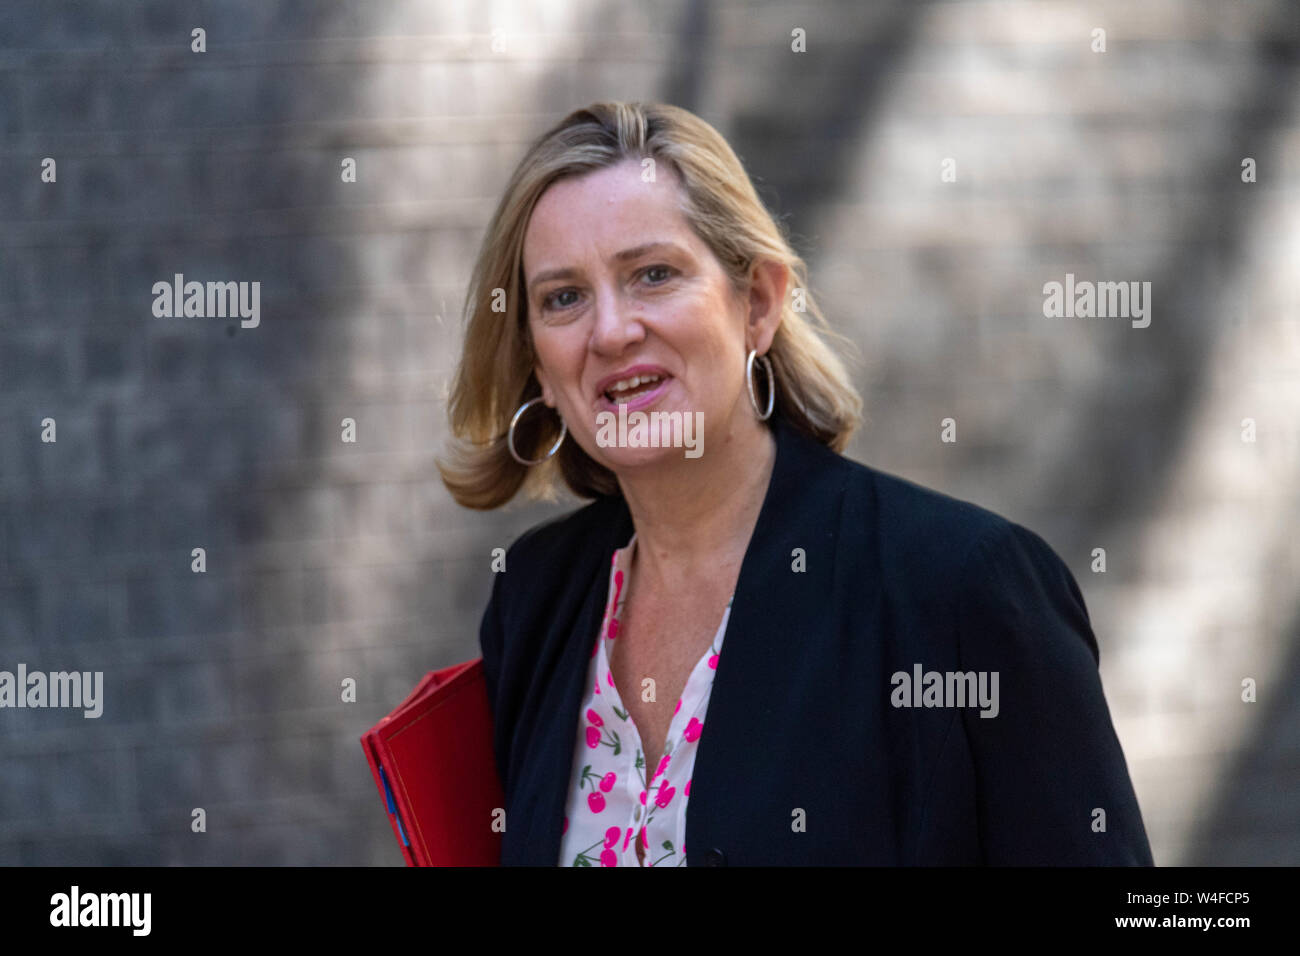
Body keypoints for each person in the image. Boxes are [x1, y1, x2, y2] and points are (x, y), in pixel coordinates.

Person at [438, 101, 1154, 866]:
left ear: (758, 303)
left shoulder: (960, 589)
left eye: (653, 274)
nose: (610, 331)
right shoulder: (537, 598)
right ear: (539, 367)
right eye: (563, 298)